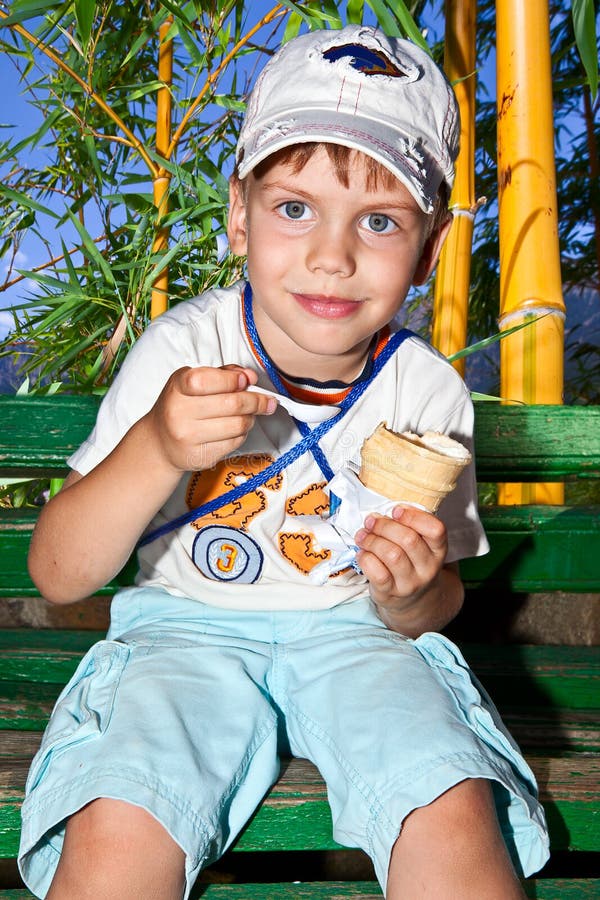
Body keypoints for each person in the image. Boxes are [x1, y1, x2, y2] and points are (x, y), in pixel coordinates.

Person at [19, 24, 549, 900]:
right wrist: (156, 446)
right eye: (294, 207)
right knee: (121, 815)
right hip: (181, 628)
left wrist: (412, 591)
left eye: (378, 220)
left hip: (356, 636)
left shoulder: (427, 395)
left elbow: (434, 606)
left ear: (427, 250)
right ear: (239, 215)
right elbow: (60, 574)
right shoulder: (181, 350)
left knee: (449, 802)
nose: (331, 255)